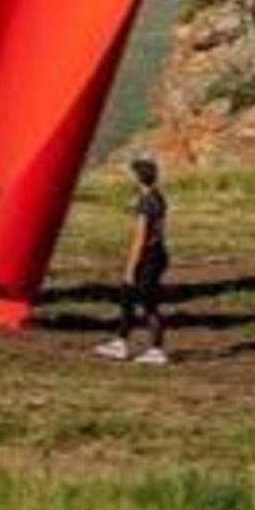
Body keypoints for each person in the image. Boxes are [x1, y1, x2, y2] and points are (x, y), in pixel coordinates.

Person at [92, 155, 170, 365]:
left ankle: (141, 347)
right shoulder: (158, 197)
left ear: (138, 177)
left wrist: (130, 268)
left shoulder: (145, 202)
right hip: (159, 254)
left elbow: (140, 237)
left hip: (147, 257)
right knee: (144, 301)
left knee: (137, 301)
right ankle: (127, 343)